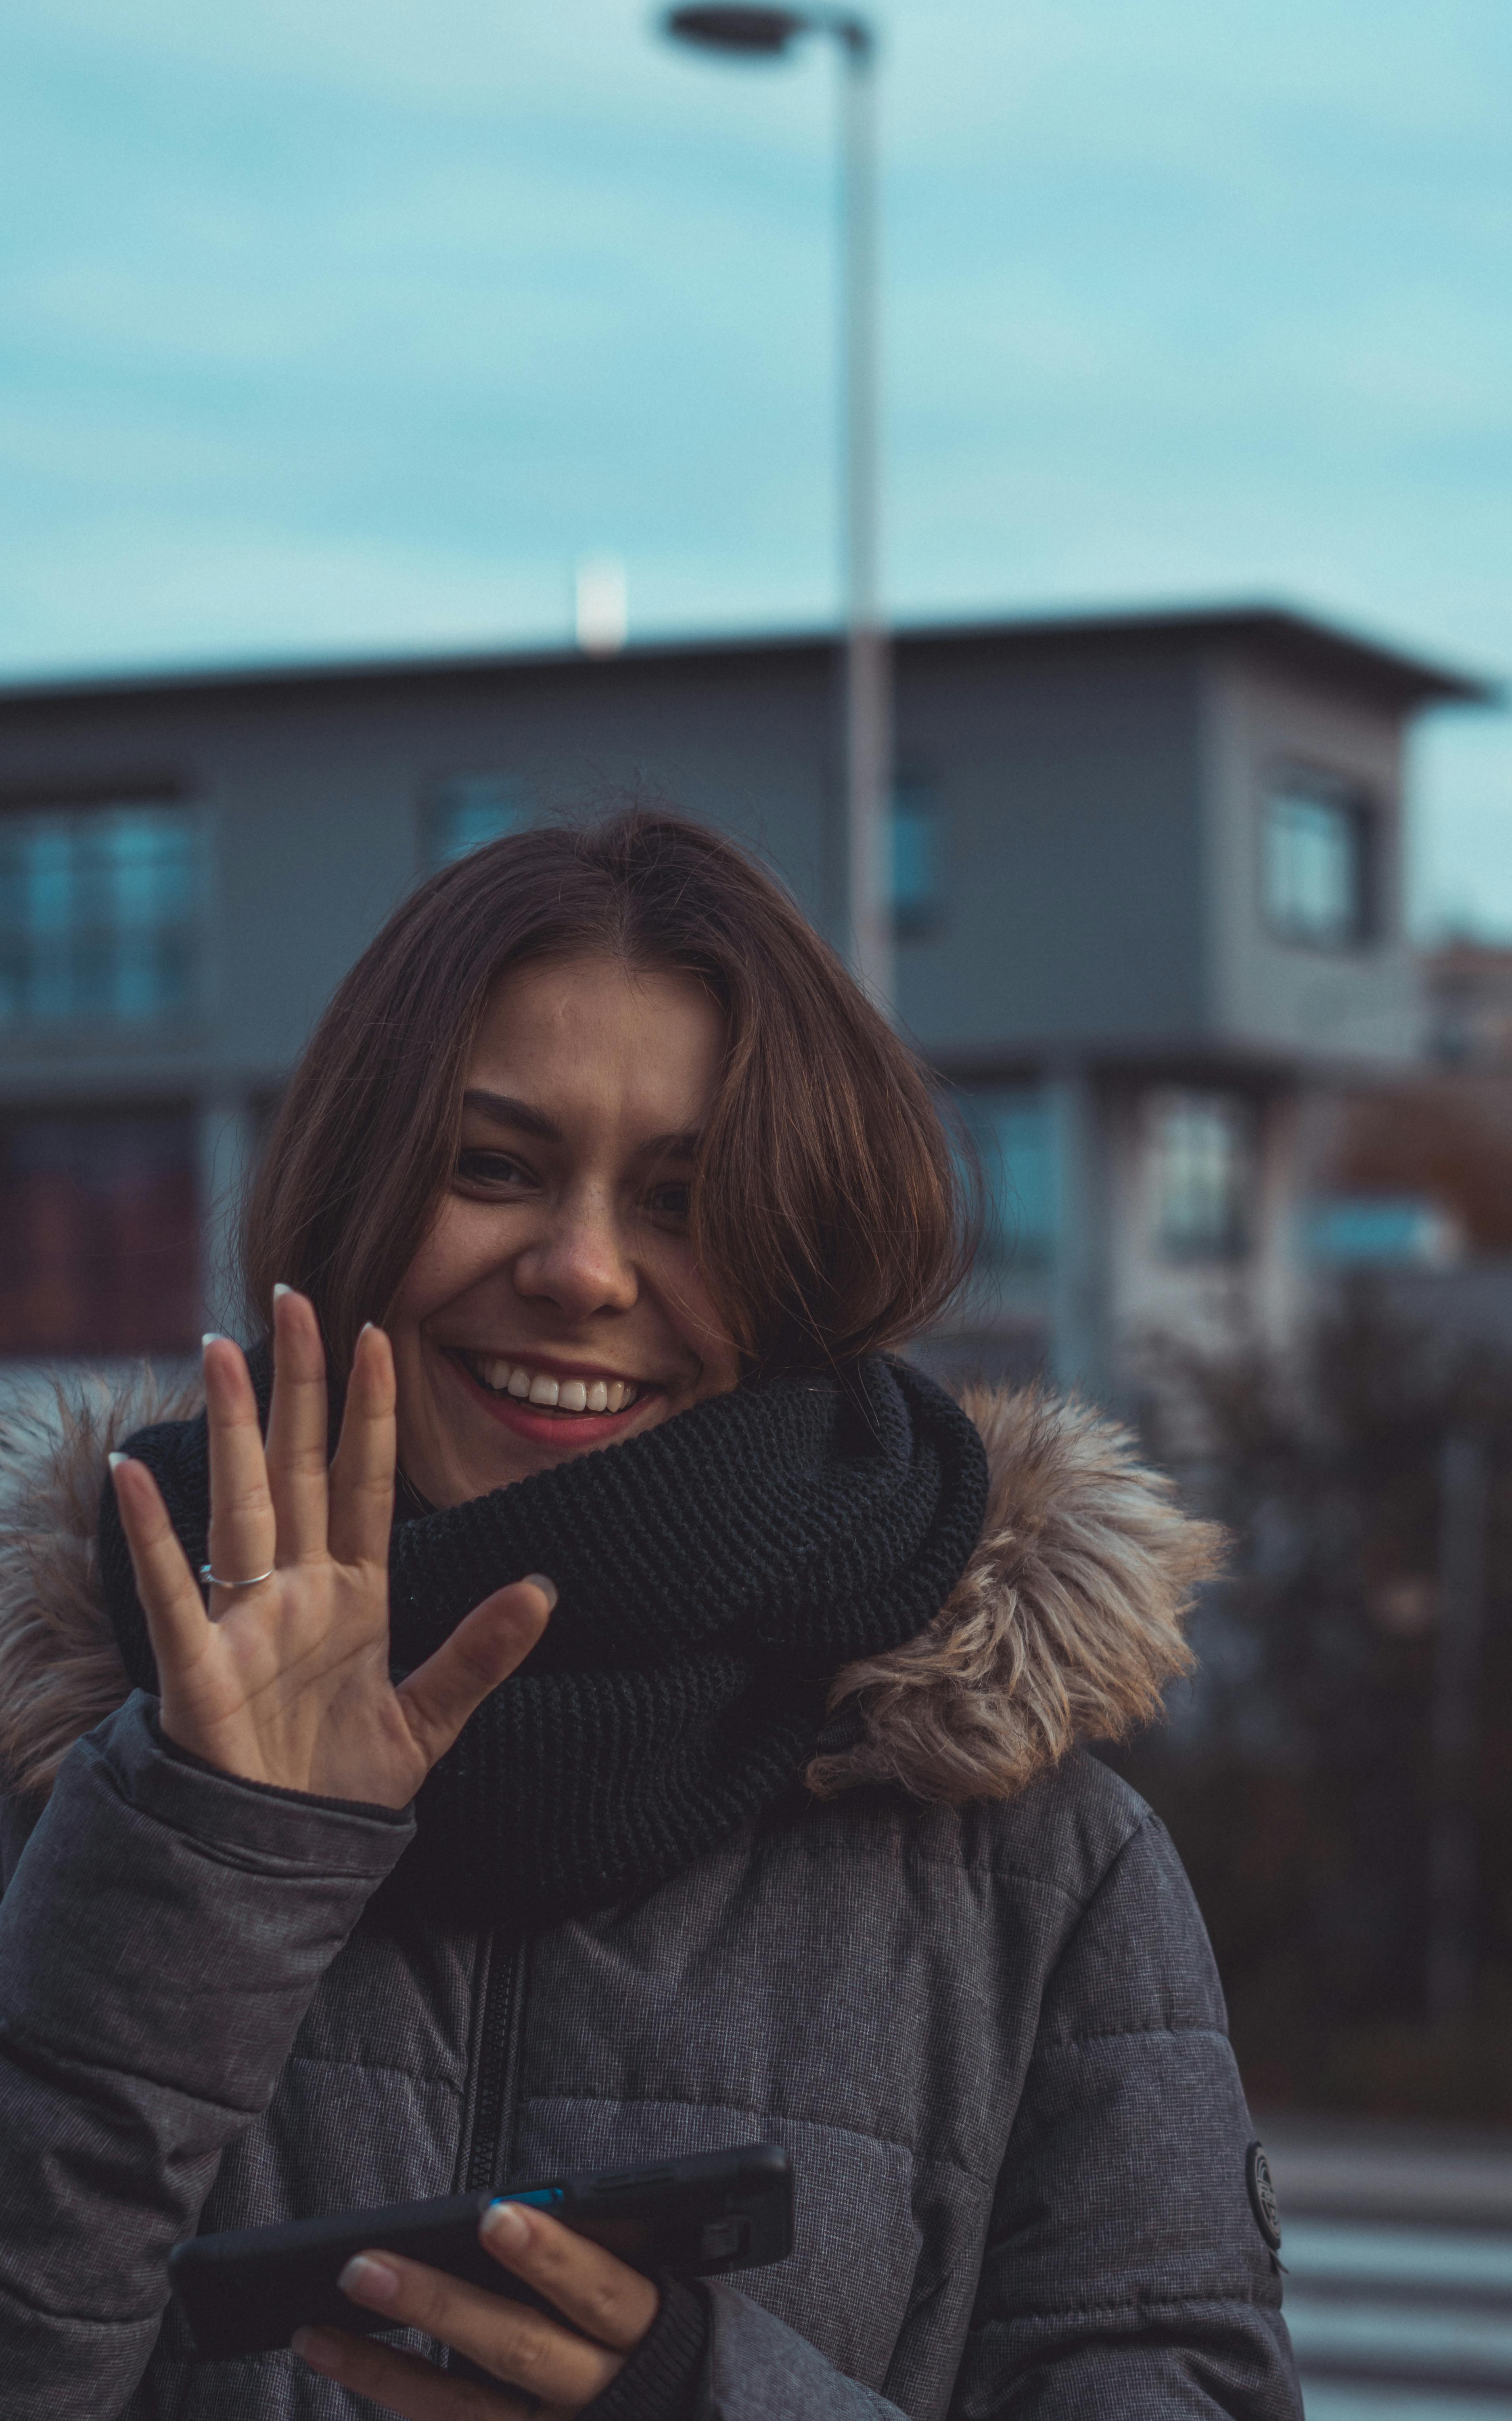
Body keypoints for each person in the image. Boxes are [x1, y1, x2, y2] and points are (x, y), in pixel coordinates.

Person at [0, 809, 1301, 2419]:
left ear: (797, 1268)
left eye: (687, 1201)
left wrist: (705, 2396)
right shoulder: (68, 1782)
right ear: (353, 1193)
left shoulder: (1032, 1868)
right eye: (491, 1168)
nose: (583, 1270)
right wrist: (204, 1856)